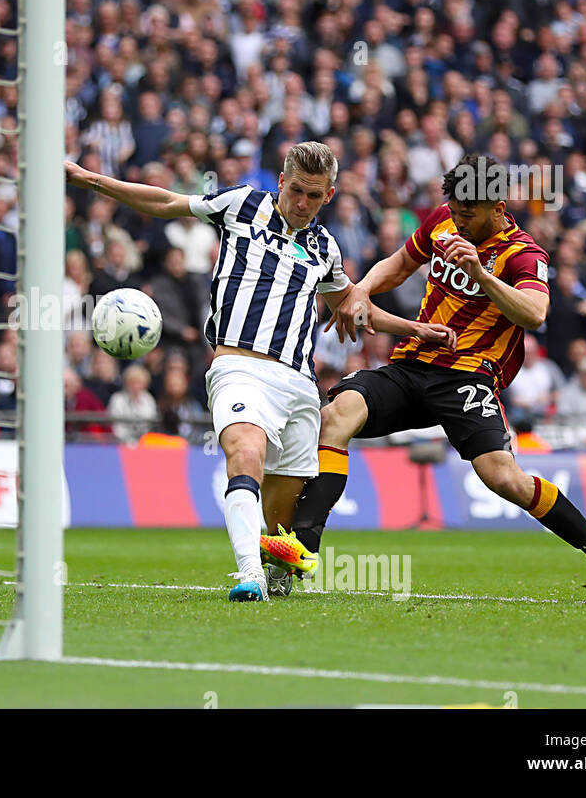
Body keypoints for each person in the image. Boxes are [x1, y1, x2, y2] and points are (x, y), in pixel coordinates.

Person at [66, 141, 454, 602]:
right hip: (239, 366)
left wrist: (415, 329)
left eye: (314, 195)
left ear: (329, 195)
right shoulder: (243, 204)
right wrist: (89, 179)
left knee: (282, 518)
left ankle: (274, 568)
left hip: (299, 384)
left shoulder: (325, 248)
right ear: (283, 181)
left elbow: (354, 306)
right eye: (296, 191)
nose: (303, 202)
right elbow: (167, 202)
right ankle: (248, 574)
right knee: (245, 453)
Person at [284, 155, 586, 603]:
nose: (457, 220)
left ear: (497, 208)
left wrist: (481, 274)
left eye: (467, 214)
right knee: (335, 415)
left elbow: (534, 314)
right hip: (413, 364)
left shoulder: (524, 254)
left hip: (468, 380)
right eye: (453, 211)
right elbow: (398, 264)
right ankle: (303, 546)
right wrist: (359, 289)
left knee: (504, 479)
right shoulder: (442, 221)